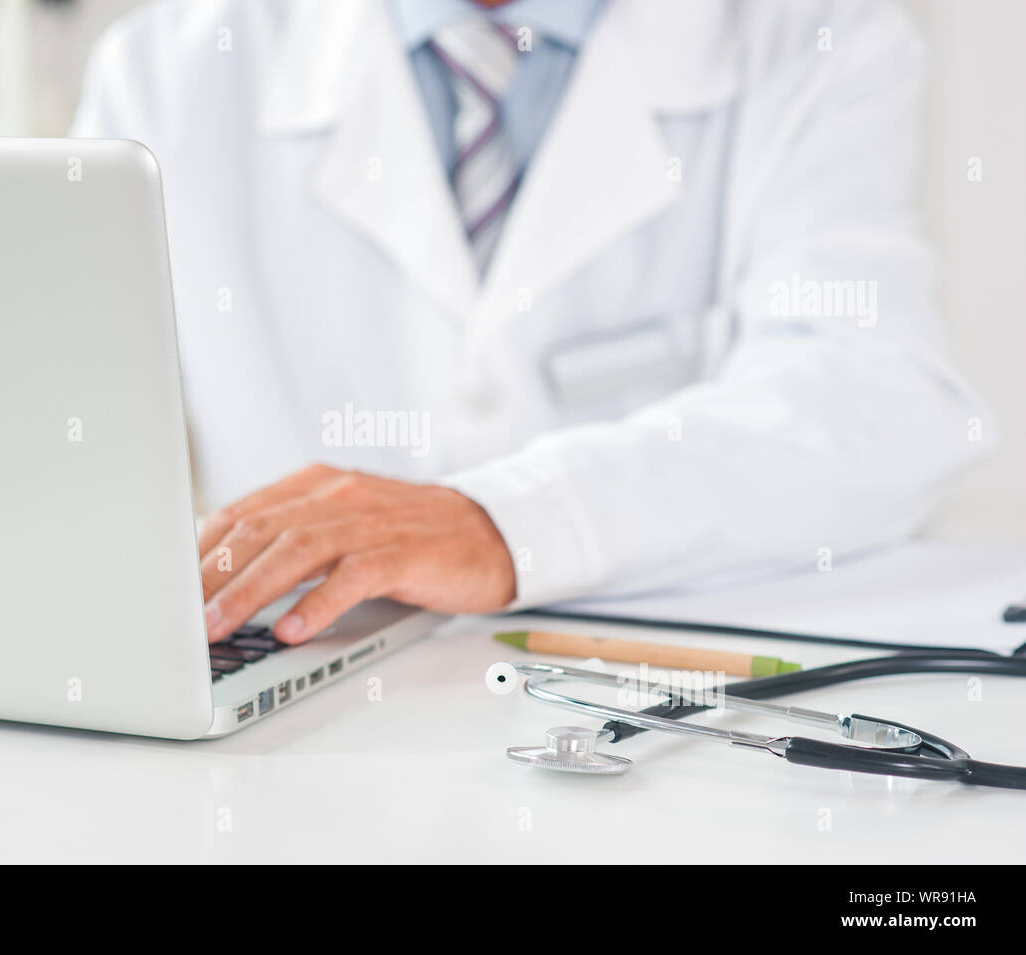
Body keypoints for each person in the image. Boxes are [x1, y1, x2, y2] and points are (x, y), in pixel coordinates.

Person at [71, 0, 991, 646]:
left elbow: (872, 396)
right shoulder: (167, 68)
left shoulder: (816, 42)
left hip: (671, 727)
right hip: (296, 707)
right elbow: (67, 444)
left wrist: (499, 523)